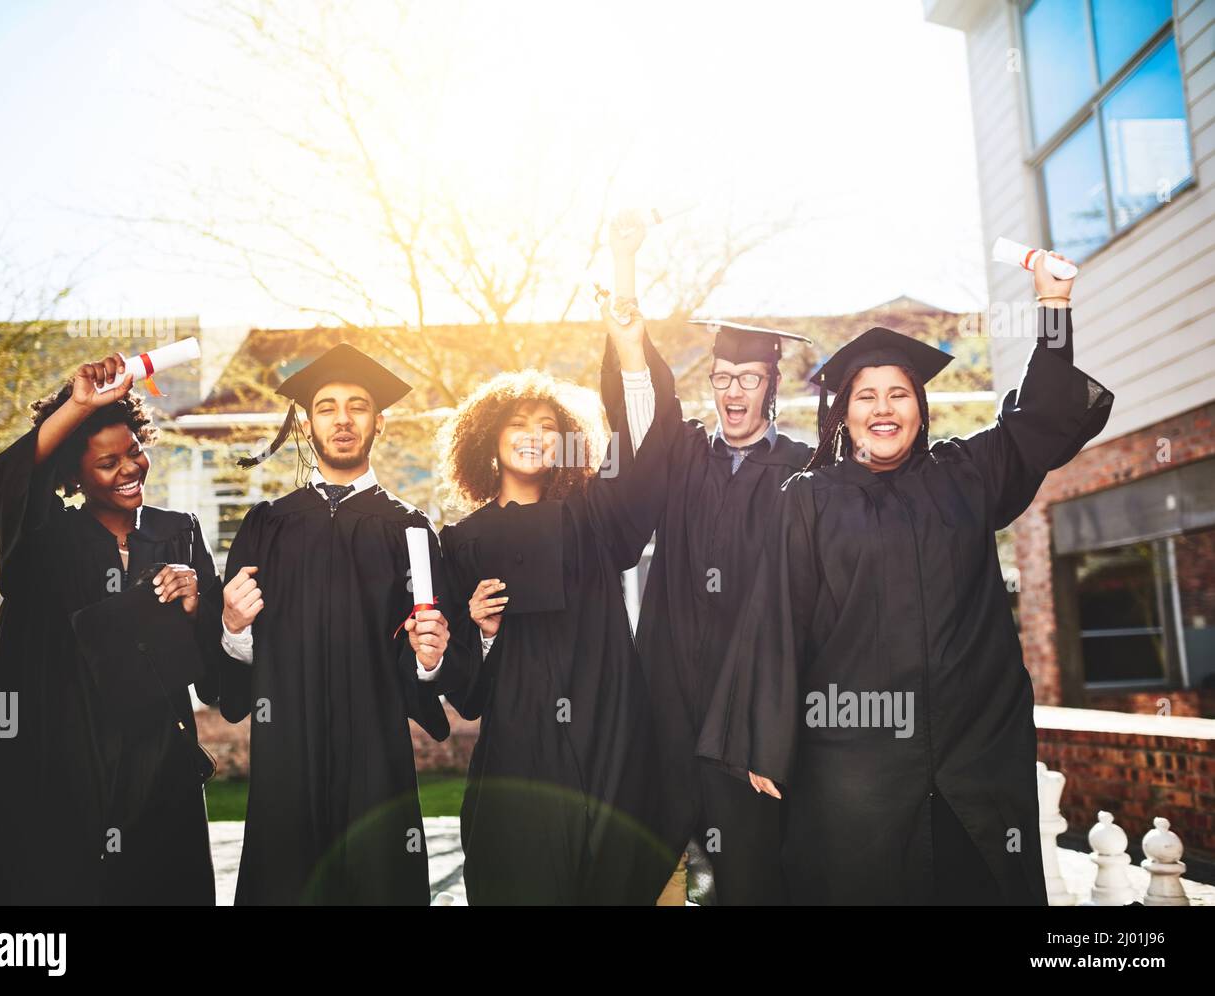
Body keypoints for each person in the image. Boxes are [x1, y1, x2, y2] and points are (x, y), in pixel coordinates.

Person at [698, 253, 1113, 904]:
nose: (883, 408)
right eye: (866, 395)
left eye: (899, 393)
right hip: (854, 764)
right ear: (843, 413)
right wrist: (762, 741)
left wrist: (1053, 308)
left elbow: (1041, 418)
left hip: (973, 750)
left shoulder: (965, 474)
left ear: (919, 407)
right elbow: (775, 617)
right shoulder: (808, 497)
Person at [596, 210, 813, 903]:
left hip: (751, 720)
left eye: (749, 378)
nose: (733, 391)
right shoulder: (684, 453)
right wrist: (623, 272)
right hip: (665, 707)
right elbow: (641, 406)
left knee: (751, 880)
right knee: (638, 875)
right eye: (722, 376)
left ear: (771, 385)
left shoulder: (806, 473)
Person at [217, 342, 470, 905]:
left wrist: (429, 661)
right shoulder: (267, 526)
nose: (342, 418)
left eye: (357, 406)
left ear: (379, 420)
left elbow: (436, 660)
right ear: (307, 423)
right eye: (327, 406)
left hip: (374, 755)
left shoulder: (409, 530)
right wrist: (233, 629)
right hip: (287, 752)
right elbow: (231, 667)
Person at [0, 354, 220, 905]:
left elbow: (213, 657)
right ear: (73, 476)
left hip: (160, 754)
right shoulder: (48, 542)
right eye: (107, 462)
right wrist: (79, 405)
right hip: (69, 756)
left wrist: (193, 605)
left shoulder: (177, 532)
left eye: (134, 451)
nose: (130, 469)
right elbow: (11, 478)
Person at [437, 369, 673, 904]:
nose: (534, 435)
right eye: (516, 424)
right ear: (489, 441)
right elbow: (466, 696)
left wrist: (632, 355)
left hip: (608, 735)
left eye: (548, 426)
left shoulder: (594, 518)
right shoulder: (459, 543)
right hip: (518, 752)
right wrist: (482, 631)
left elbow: (638, 457)